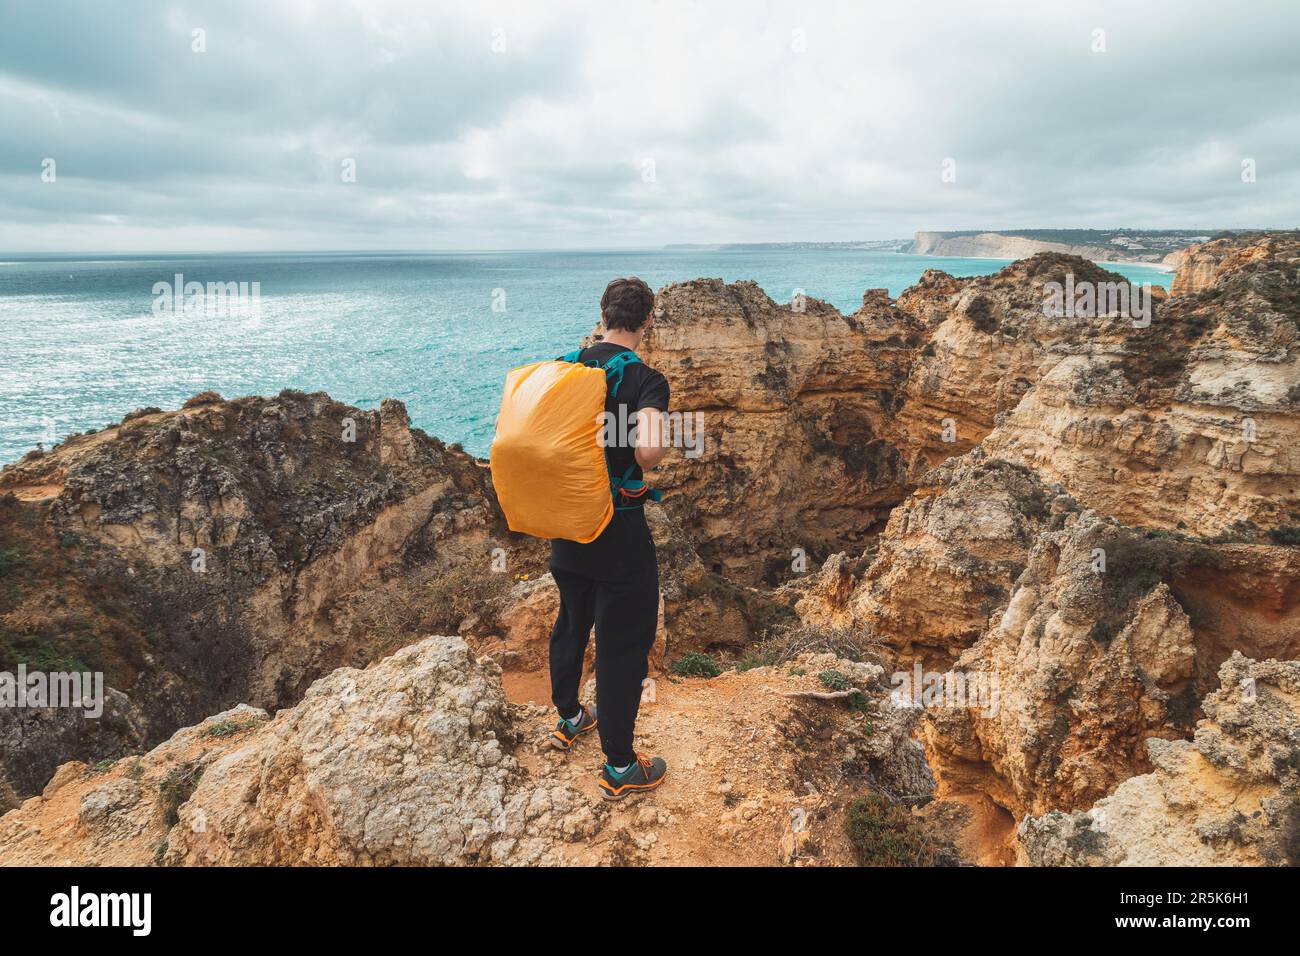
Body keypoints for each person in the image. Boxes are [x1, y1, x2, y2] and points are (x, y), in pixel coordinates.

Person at [548, 276, 671, 800]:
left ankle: (572, 717)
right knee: (622, 646)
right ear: (647, 321)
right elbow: (647, 452)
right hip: (617, 530)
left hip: (565, 523)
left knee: (572, 620)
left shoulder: (566, 367)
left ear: (602, 314)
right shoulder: (645, 378)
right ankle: (620, 766)